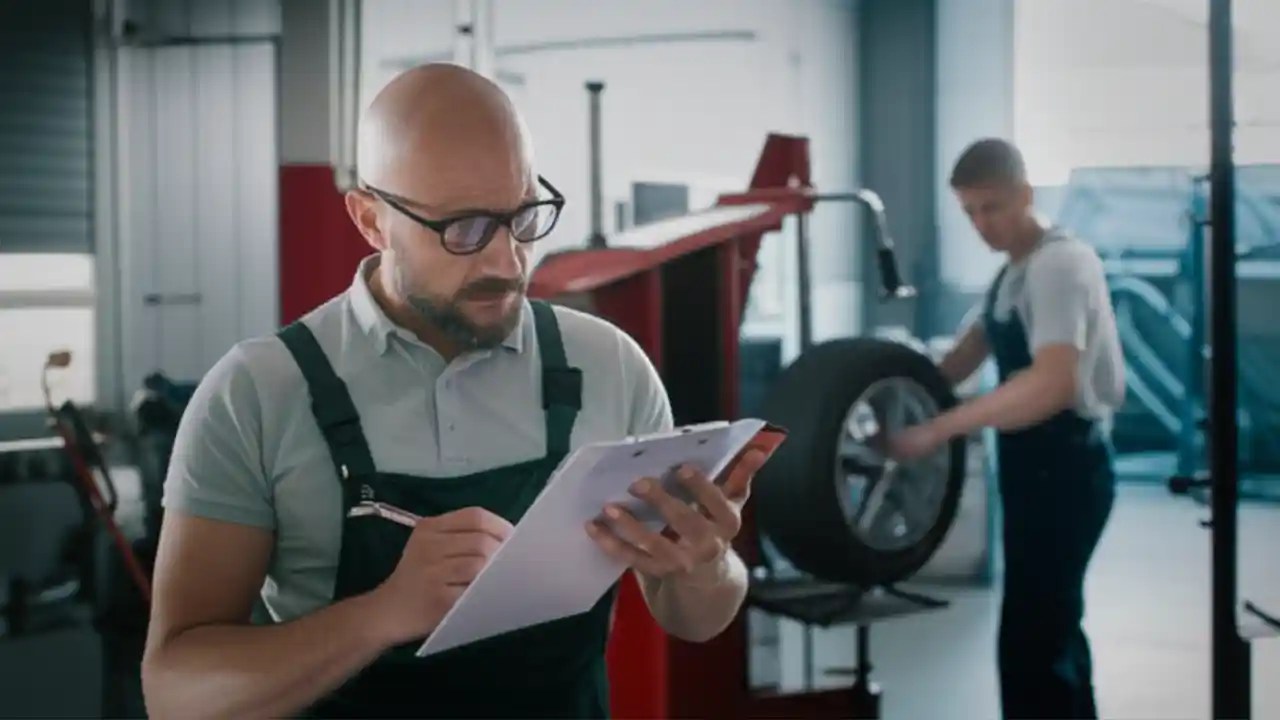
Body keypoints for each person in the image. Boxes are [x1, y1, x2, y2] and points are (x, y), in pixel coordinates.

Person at [140, 63, 766, 719]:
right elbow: (175, 693)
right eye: (463, 229)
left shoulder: (607, 365)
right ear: (370, 220)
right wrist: (380, 616)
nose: (506, 262)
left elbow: (697, 620)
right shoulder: (257, 395)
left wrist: (704, 565)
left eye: (523, 216)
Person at [890, 138, 1124, 719]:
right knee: (1046, 628)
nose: (980, 224)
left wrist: (938, 430)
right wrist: (887, 384)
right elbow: (961, 359)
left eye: (991, 207)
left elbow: (1052, 384)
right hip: (1032, 468)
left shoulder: (1059, 265)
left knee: (1037, 637)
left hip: (1067, 468)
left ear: (1025, 194)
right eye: (968, 211)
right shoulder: (1011, 275)